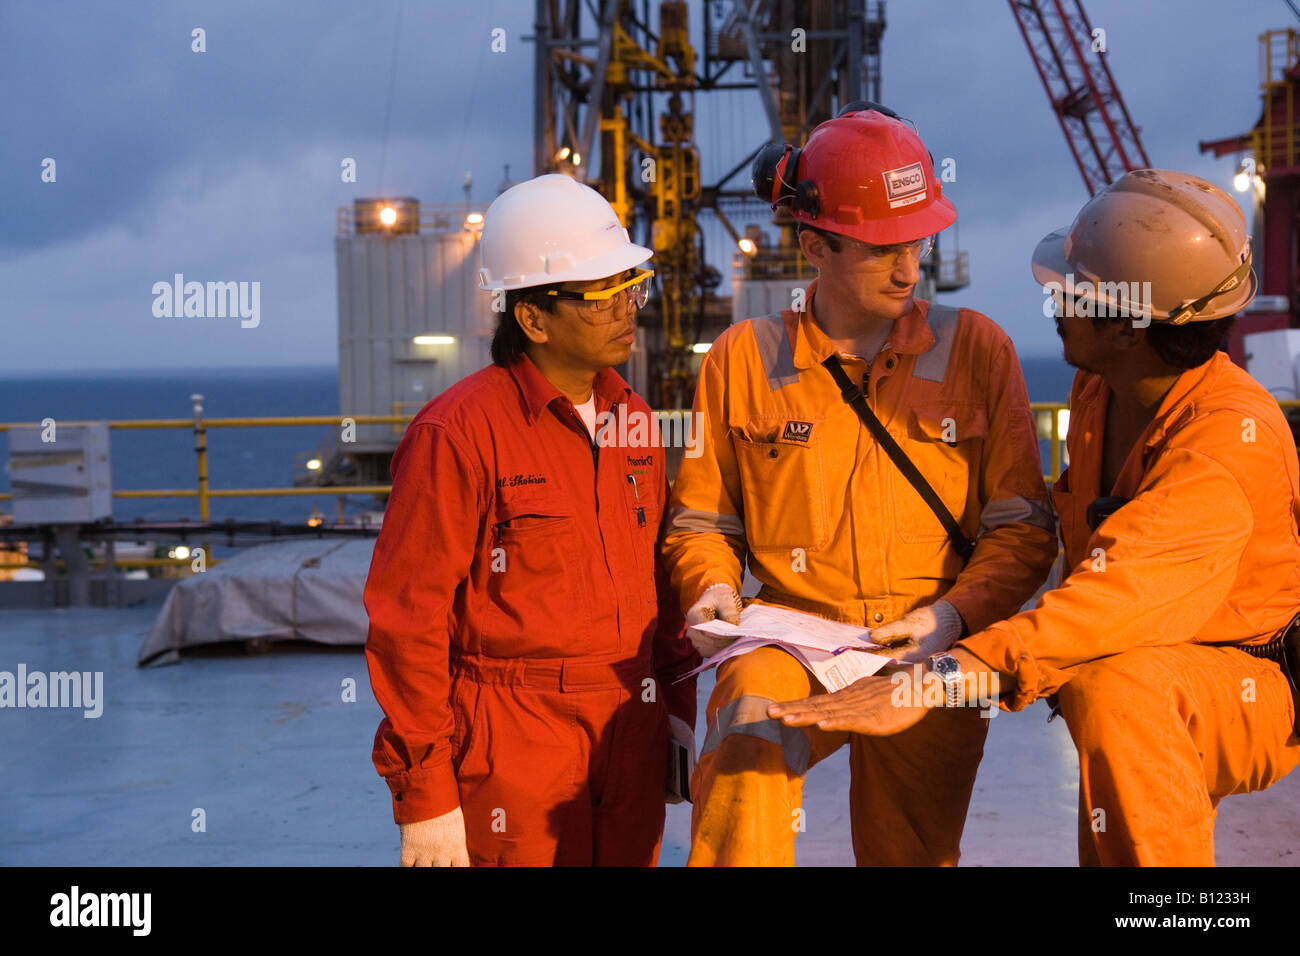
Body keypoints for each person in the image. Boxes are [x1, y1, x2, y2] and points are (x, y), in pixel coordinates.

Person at [772, 168, 1300, 866]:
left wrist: (942, 676)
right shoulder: (1099, 388)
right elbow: (1067, 521)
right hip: (1147, 660)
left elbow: (1110, 601)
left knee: (1117, 689)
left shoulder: (1225, 446)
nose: (1054, 302)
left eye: (1073, 294)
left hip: (1242, 682)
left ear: (1131, 328)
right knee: (1113, 709)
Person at [660, 105, 1058, 866]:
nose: (911, 269)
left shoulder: (976, 350)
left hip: (927, 646)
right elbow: (703, 522)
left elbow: (1021, 527)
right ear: (814, 245)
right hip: (793, 640)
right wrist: (710, 591)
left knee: (911, 850)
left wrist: (950, 618)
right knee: (746, 744)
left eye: (920, 241)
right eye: (882, 250)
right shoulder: (744, 361)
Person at [364, 173, 700, 866]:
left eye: (630, 288)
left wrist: (675, 706)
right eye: (602, 297)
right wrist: (426, 798)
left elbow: (659, 582)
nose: (626, 311)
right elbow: (409, 619)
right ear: (534, 318)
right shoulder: (457, 434)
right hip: (513, 737)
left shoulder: (632, 418)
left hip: (627, 721)